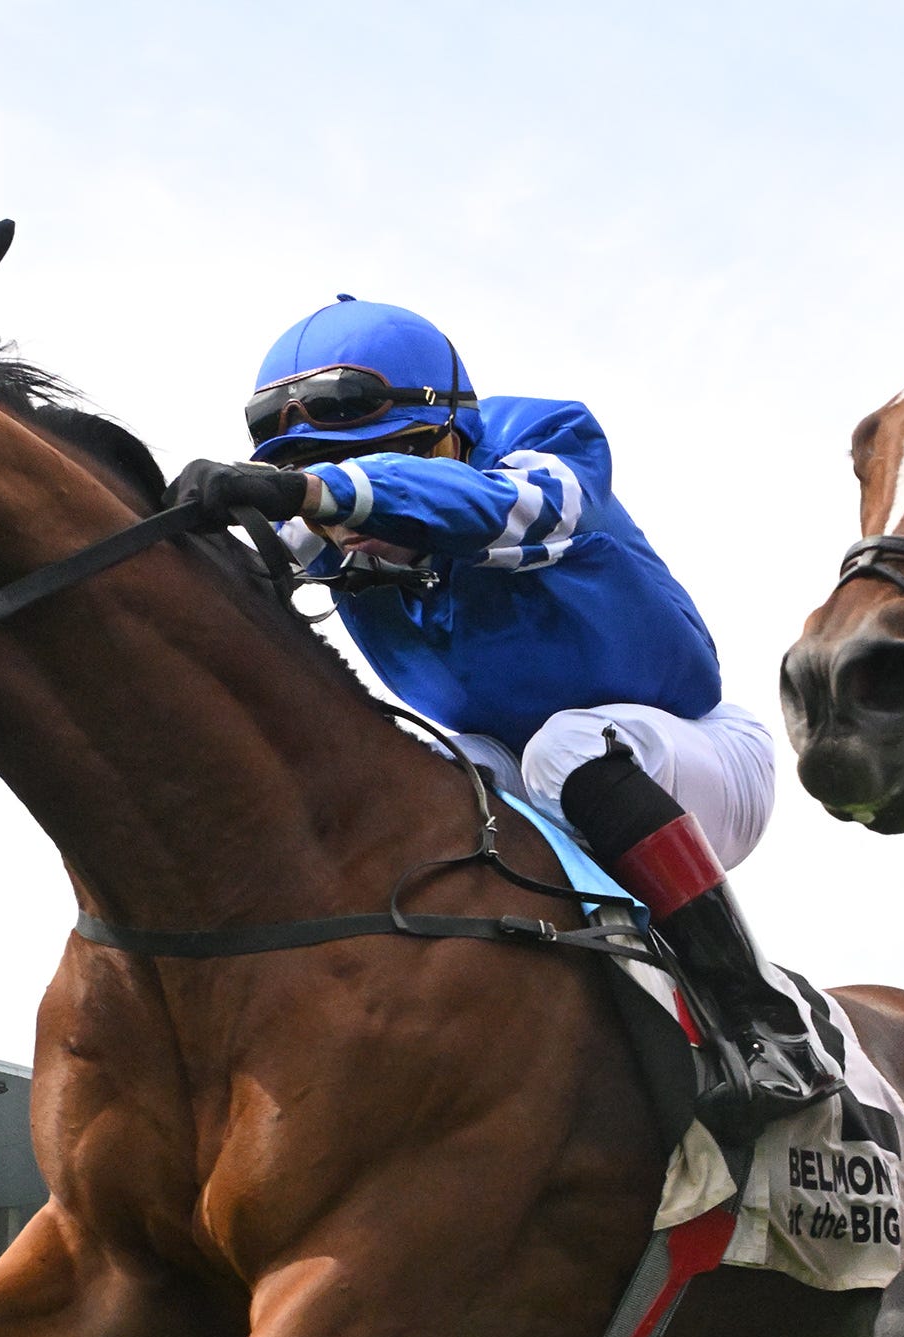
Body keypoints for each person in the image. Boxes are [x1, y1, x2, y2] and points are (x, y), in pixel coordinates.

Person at [168, 297, 838, 1138]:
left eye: (388, 456)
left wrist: (313, 487)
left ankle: (763, 1021)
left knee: (562, 750)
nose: (350, 521)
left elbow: (491, 511)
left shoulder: (550, 444)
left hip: (692, 753)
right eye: (321, 471)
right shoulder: (330, 525)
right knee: (428, 770)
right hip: (511, 774)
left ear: (451, 434)